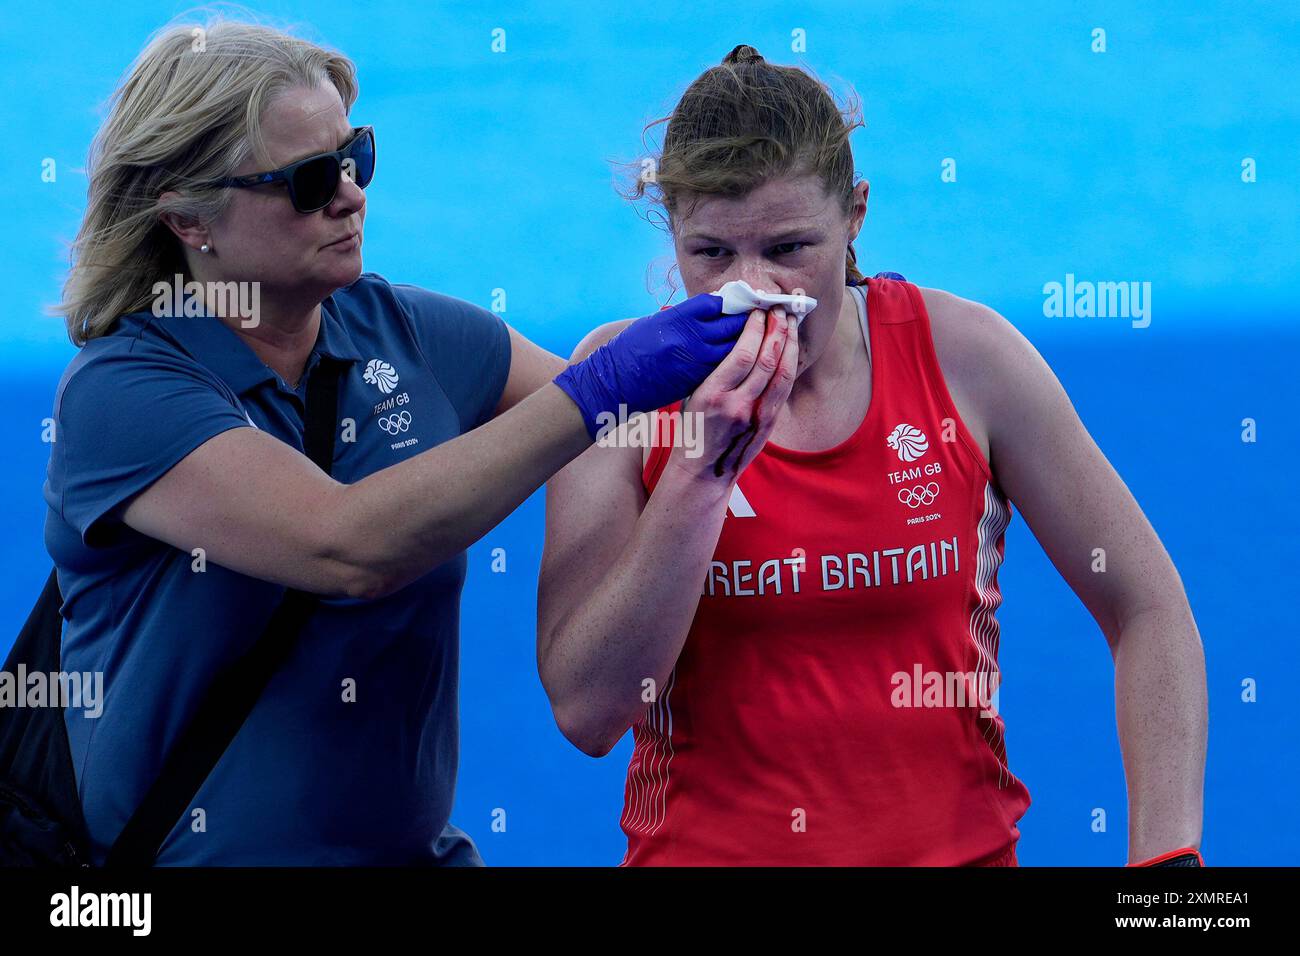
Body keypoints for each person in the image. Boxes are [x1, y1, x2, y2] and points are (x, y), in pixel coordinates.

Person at [44, 18, 750, 865]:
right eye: (308, 181)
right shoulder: (123, 394)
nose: (350, 195)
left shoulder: (407, 332)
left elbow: (635, 442)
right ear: (191, 219)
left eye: (356, 158)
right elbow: (348, 547)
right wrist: (600, 387)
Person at [537, 45, 1208, 866]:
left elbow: (1147, 607)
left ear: (855, 214)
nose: (757, 288)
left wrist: (1169, 871)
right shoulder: (619, 390)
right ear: (671, 228)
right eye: (712, 254)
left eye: (789, 249)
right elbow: (588, 711)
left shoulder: (970, 359)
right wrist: (699, 475)